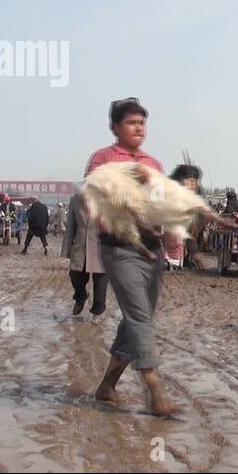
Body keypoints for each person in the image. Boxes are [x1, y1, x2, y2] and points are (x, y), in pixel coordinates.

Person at [87, 97, 178, 417]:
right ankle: (154, 390)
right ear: (115, 127)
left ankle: (107, 386)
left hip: (151, 251)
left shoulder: (154, 163)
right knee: (139, 317)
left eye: (142, 122)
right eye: (131, 122)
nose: (138, 127)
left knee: (137, 318)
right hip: (119, 247)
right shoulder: (103, 159)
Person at [62, 193, 108, 317]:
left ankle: (98, 311)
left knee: (100, 280)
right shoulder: (76, 199)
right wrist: (66, 250)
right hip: (80, 246)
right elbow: (71, 226)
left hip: (101, 246)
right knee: (75, 275)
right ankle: (80, 297)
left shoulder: (109, 199)